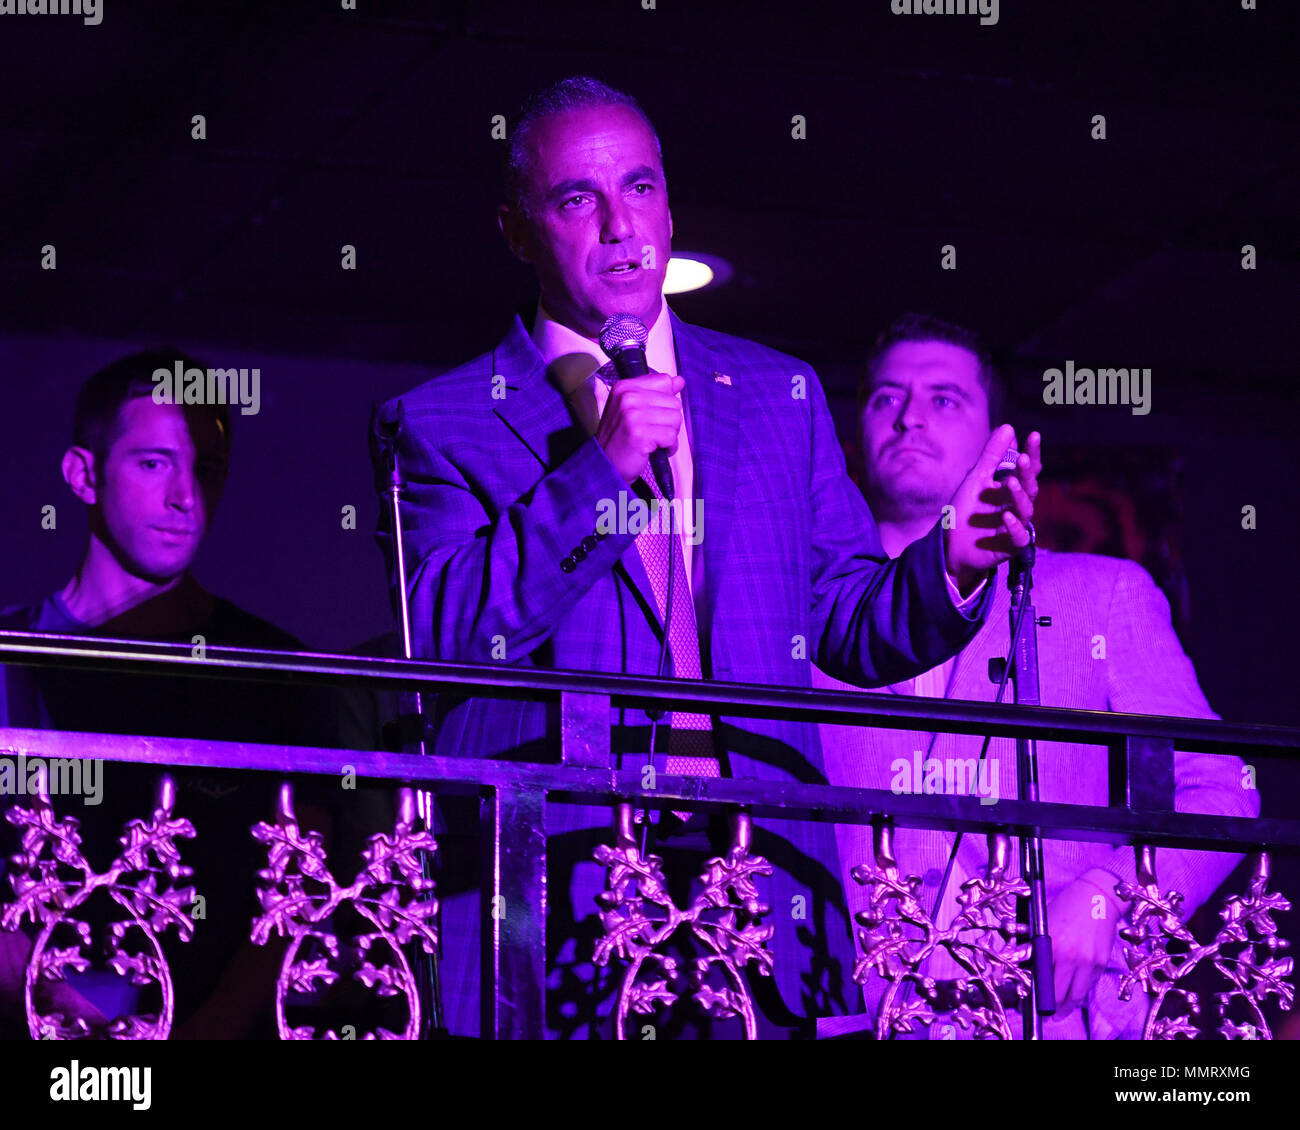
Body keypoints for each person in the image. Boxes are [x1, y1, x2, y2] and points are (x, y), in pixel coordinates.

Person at [374, 77, 1039, 1039]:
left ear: (671, 207)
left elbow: (846, 618)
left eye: (640, 189)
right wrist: (599, 474)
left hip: (763, 888)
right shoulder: (439, 420)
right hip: (555, 899)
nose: (618, 225)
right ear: (519, 232)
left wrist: (955, 561)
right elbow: (447, 641)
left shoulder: (779, 393)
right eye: (576, 200)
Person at [813, 313, 1259, 1039]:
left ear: (1001, 440)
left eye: (944, 399)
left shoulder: (1102, 595)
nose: (909, 417)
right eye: (885, 398)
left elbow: (1224, 790)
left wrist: (1110, 893)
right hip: (854, 1019)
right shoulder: (804, 609)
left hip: (1049, 1018)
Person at [0, 349, 335, 1039]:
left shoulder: (271, 670)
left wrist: (207, 1030)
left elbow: (300, 882)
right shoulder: (9, 659)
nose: (186, 496)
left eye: (207, 470)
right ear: (83, 474)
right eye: (153, 463)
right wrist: (57, 1004)